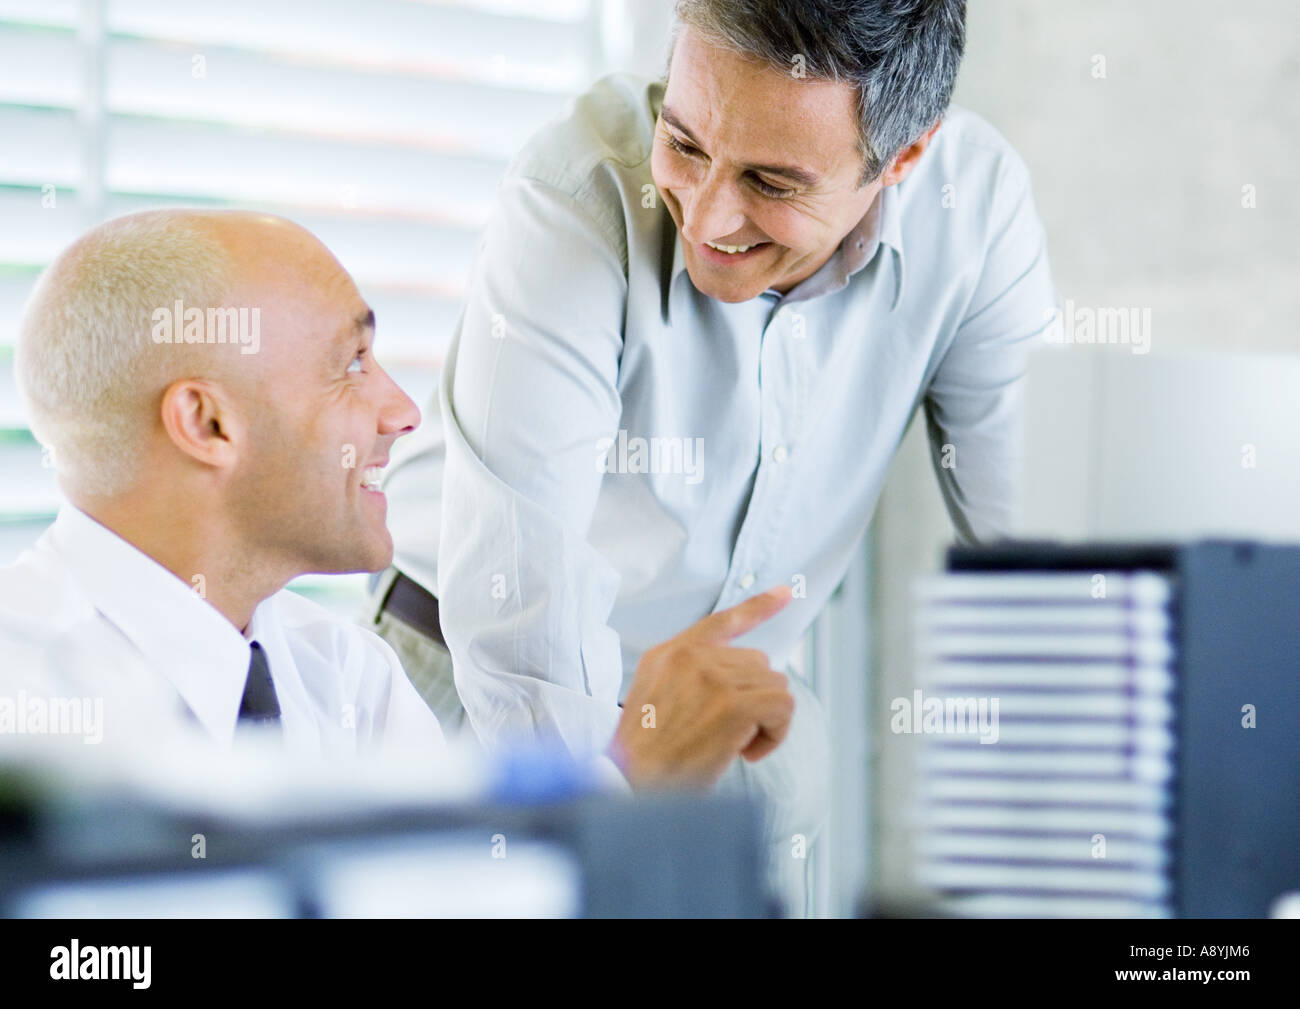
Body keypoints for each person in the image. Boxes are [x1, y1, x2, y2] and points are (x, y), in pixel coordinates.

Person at [369, 0, 1056, 913]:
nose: (707, 214)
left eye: (772, 182)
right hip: (472, 682)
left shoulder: (977, 209)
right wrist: (605, 823)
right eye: (684, 144)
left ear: (903, 160)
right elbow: (518, 608)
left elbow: (1048, 544)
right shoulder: (575, 188)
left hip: (716, 724)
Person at [1, 210, 794, 787]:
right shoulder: (27, 700)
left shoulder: (345, 676)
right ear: (207, 422)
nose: (403, 413)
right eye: (350, 363)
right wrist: (631, 784)